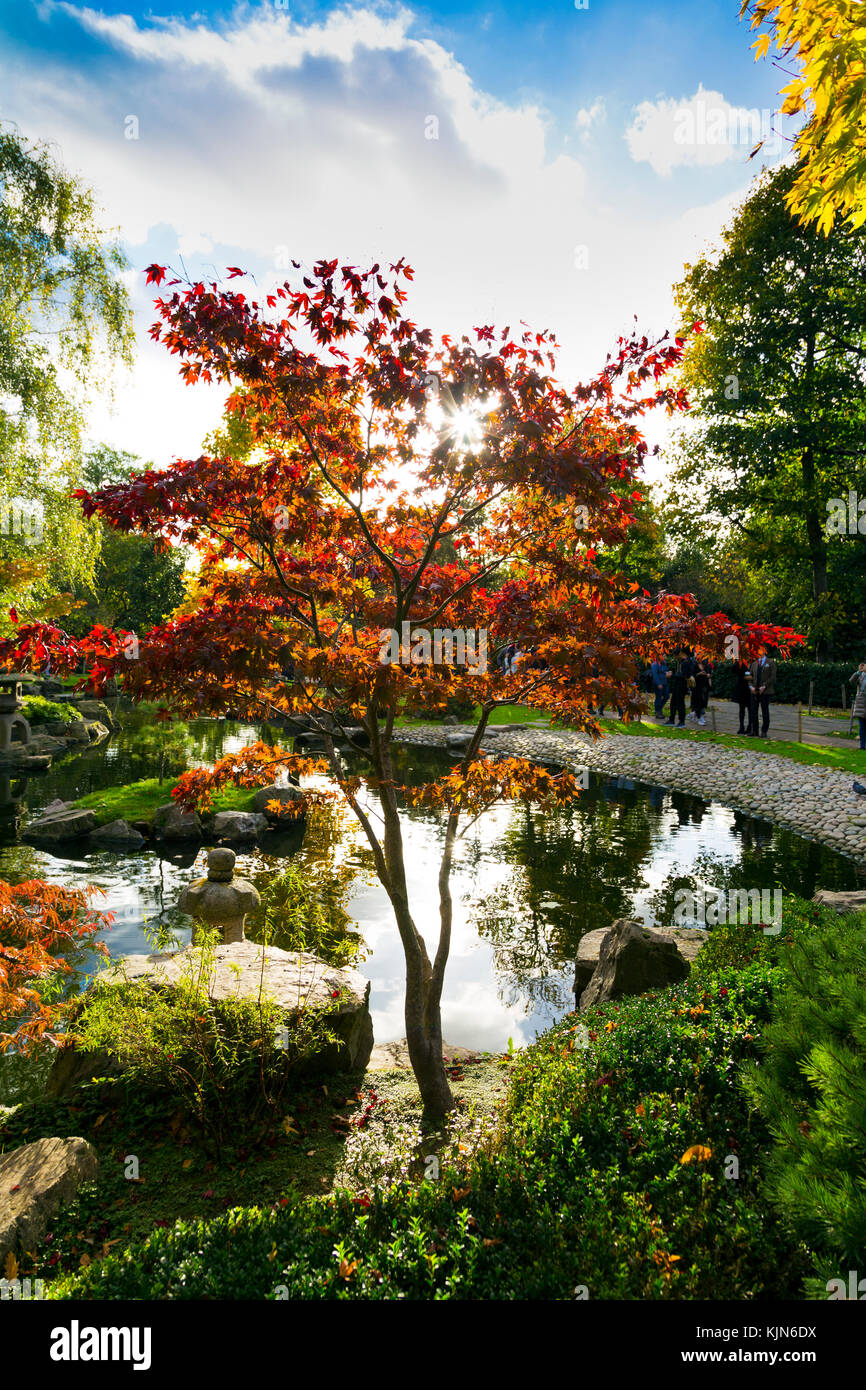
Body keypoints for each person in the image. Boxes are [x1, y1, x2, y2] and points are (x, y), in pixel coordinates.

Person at [747, 650, 777, 737]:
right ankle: (754, 731)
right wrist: (751, 686)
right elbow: (749, 675)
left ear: (764, 651)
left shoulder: (771, 662)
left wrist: (764, 686)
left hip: (766, 691)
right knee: (753, 712)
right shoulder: (754, 663)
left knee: (765, 712)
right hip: (754, 691)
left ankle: (764, 731)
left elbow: (773, 676)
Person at [665, 651, 688, 728]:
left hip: (682, 686)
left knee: (680, 704)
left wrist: (672, 675)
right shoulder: (680, 662)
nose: (674, 658)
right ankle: (672, 719)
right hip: (677, 685)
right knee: (673, 703)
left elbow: (684, 676)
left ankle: (682, 721)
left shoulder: (685, 663)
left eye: (675, 656)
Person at [732, 658, 751, 734]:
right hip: (742, 688)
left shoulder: (754, 663)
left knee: (751, 710)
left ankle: (750, 727)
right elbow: (733, 670)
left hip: (750, 689)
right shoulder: (740, 663)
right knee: (742, 709)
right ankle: (741, 727)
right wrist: (736, 660)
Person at [849, 662, 866, 750]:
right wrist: (858, 672)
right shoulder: (860, 676)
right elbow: (851, 681)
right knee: (862, 726)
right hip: (861, 704)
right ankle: (862, 746)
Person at [692, 660, 711, 726]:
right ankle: (699, 717)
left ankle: (699, 716)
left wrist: (708, 675)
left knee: (704, 701)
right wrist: (699, 673)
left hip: (705, 687)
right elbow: (692, 675)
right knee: (698, 702)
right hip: (696, 687)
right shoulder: (695, 666)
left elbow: (710, 674)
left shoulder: (707, 666)